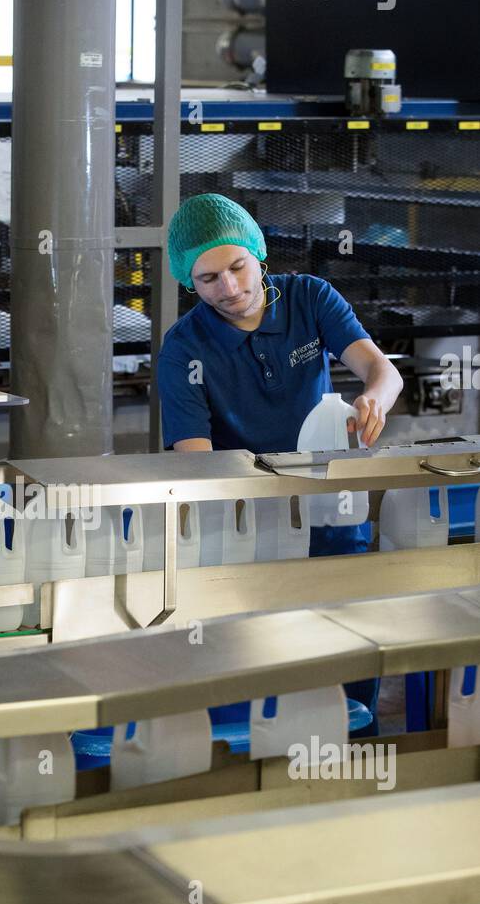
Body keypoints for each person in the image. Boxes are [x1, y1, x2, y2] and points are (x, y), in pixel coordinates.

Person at [157, 193, 403, 735]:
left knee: (346, 638)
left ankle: (351, 750)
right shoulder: (184, 349)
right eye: (209, 279)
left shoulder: (310, 298)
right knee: (259, 655)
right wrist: (245, 504)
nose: (230, 288)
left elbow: (383, 373)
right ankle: (262, 761)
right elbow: (196, 459)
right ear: (188, 283)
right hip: (245, 524)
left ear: (258, 253)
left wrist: (373, 401)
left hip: (330, 509)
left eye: (238, 267)